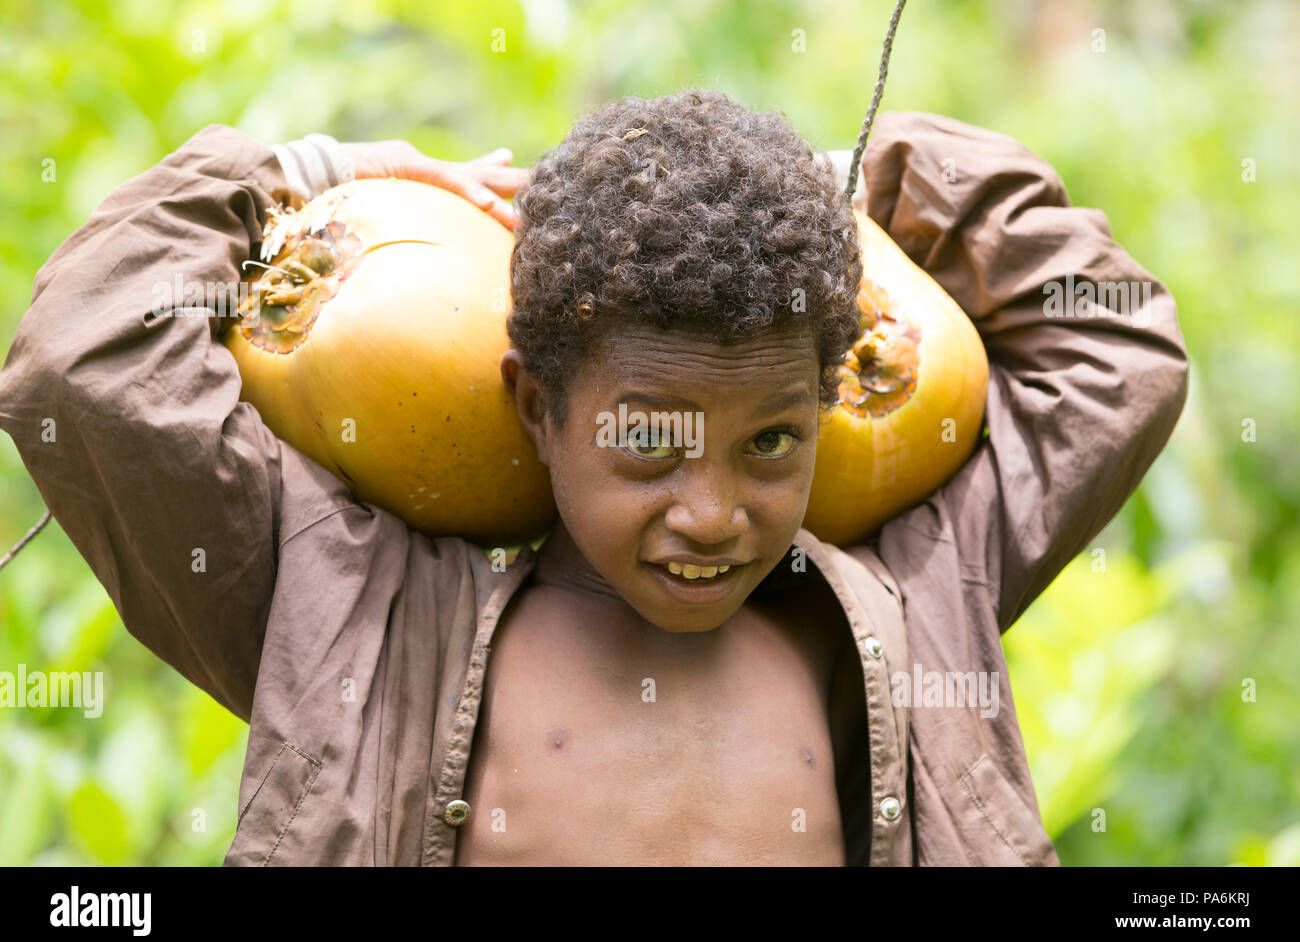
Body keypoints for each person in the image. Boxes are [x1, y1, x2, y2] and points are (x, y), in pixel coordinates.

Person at [0, 88, 1189, 865]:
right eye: (647, 441)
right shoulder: (349, 616)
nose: (713, 512)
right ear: (535, 404)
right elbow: (82, 357)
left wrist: (866, 181)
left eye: (772, 442)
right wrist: (311, 170)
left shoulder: (920, 597)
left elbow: (1118, 344)